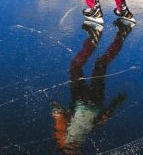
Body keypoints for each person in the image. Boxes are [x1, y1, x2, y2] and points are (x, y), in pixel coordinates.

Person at [51, 20, 131, 154]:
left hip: (94, 104)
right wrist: (56, 111)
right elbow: (60, 119)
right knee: (75, 66)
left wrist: (116, 103)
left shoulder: (81, 138)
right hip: (82, 102)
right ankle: (93, 40)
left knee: (100, 64)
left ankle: (121, 35)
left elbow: (102, 118)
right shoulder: (63, 142)